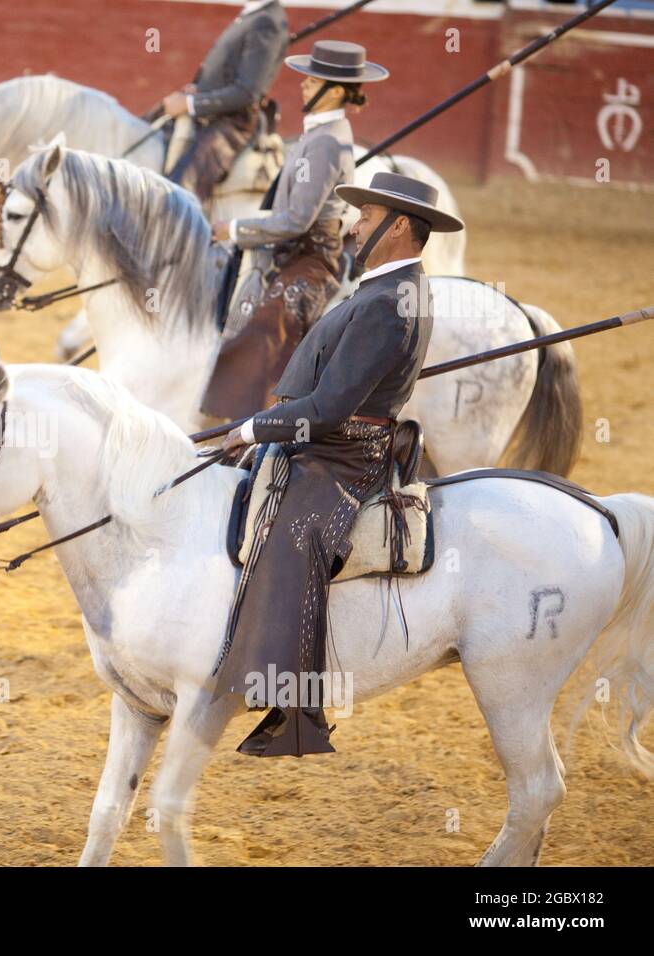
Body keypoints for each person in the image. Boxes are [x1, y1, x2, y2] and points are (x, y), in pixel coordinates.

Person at [211, 171, 466, 757]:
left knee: (295, 531)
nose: (353, 226)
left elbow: (326, 410)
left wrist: (252, 428)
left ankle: (295, 709)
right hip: (327, 439)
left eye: (367, 219)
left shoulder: (387, 302)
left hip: (344, 456)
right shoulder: (385, 288)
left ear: (399, 227)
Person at [200, 40, 387, 424]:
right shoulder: (318, 135)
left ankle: (264, 427)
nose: (302, 85)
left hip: (312, 260)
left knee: (268, 326)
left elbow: (296, 220)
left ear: (334, 90)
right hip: (291, 253)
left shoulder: (327, 143)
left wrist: (234, 229)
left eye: (311, 80)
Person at [160, 0, 288, 204]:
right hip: (213, 110)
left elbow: (247, 92)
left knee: (180, 192)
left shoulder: (267, 22)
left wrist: (192, 104)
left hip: (233, 122)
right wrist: (199, 91)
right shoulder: (254, 14)